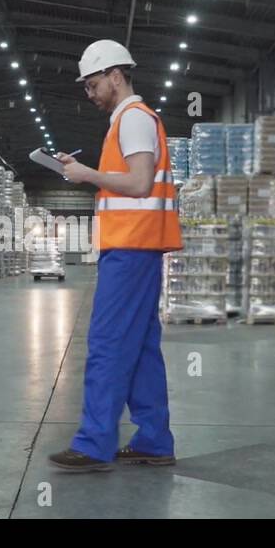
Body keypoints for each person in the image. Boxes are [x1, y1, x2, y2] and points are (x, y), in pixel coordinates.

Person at [48, 39, 183, 473]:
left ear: (116, 76)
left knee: (107, 343)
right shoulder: (129, 121)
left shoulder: (133, 119)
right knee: (142, 348)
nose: (89, 93)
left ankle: (94, 443)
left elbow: (141, 182)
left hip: (131, 248)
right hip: (137, 247)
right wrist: (86, 171)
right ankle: (155, 440)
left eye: (92, 84)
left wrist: (87, 175)